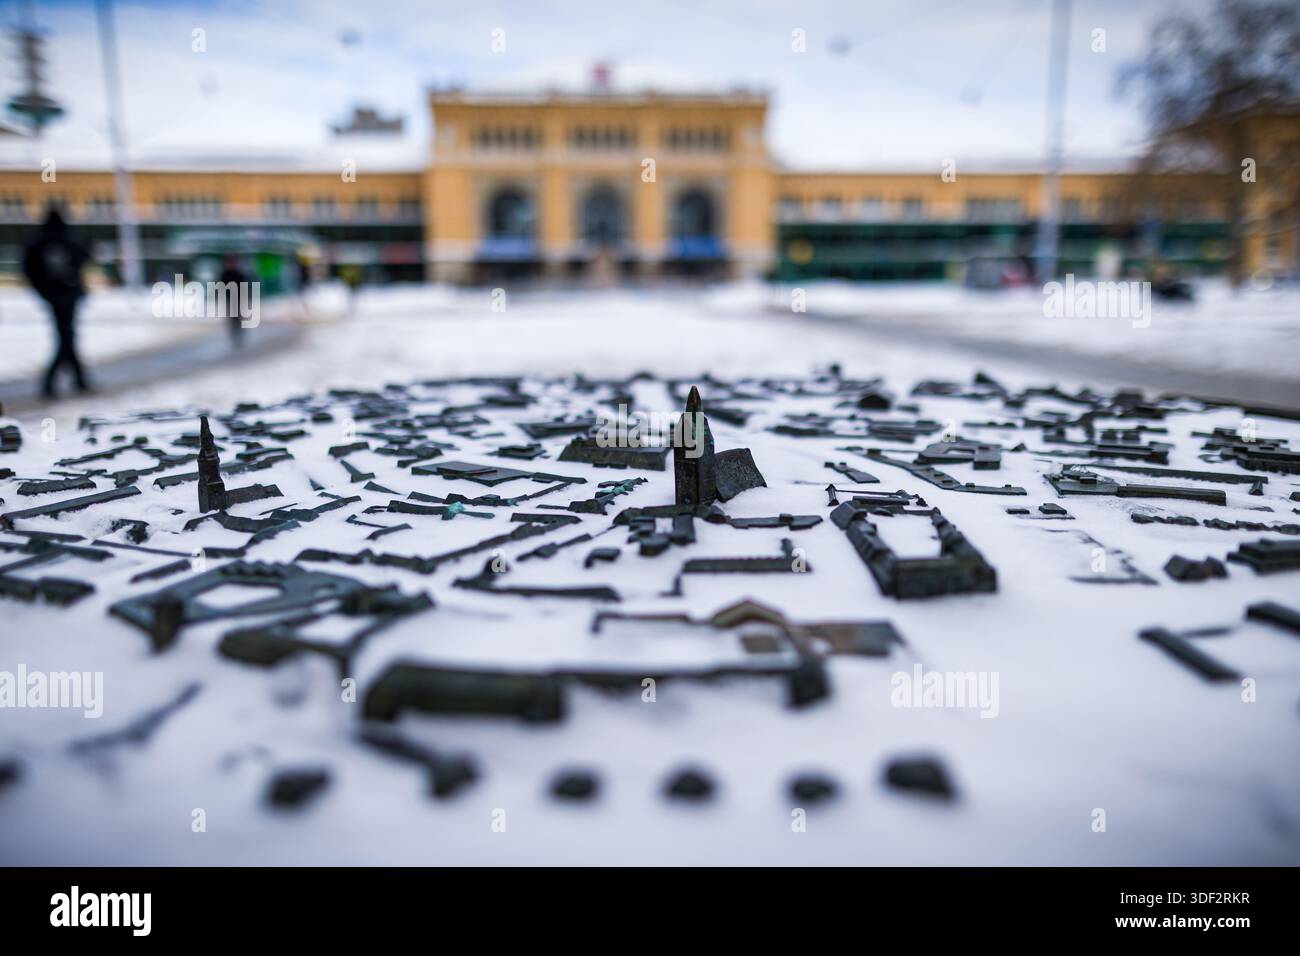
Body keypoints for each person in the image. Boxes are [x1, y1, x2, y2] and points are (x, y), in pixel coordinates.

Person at [23, 205, 92, 399]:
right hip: (68, 293)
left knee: (66, 335)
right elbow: (84, 255)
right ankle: (60, 382)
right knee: (66, 336)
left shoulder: (38, 240)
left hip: (54, 295)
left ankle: (75, 380)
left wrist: (43, 290)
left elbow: (29, 269)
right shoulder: (67, 237)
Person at [218, 253, 250, 349]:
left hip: (238, 299)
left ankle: (239, 336)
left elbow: (244, 287)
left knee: (238, 318)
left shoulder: (239, 274)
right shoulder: (226, 274)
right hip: (230, 300)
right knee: (232, 319)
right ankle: (234, 336)